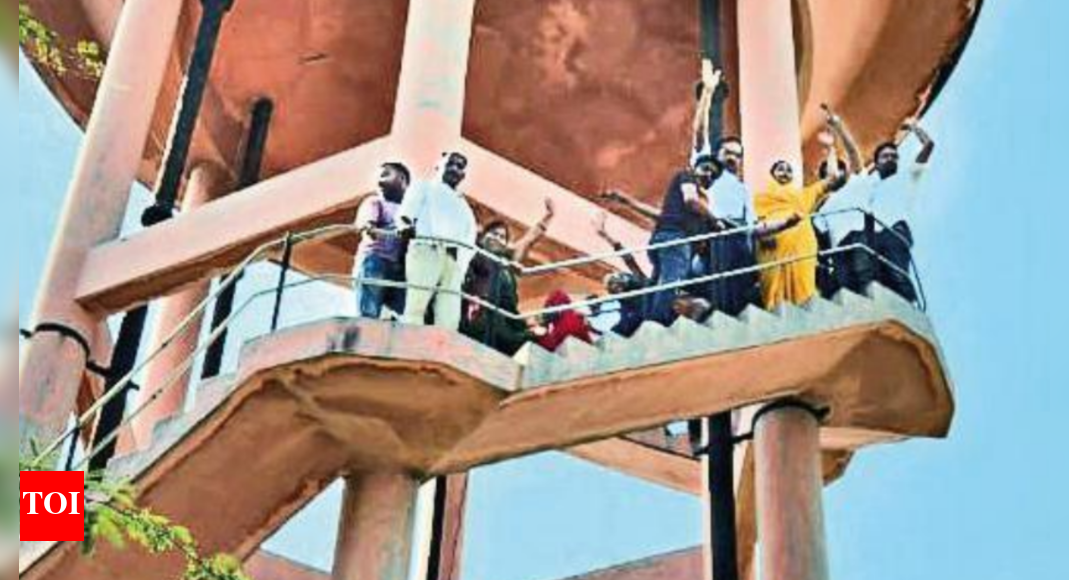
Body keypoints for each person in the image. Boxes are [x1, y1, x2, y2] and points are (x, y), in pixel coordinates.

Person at [821, 118, 935, 302]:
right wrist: (829, 150)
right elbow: (832, 174)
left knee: (893, 277)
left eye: (893, 156)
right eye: (885, 156)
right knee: (863, 282)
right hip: (868, 237)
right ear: (877, 163)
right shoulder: (868, 187)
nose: (890, 159)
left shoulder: (904, 177)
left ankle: (905, 305)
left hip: (891, 231)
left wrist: (914, 127)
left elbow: (929, 146)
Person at [603, 155, 719, 326]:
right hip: (676, 242)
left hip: (664, 241)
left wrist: (628, 202)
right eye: (706, 168)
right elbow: (691, 200)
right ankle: (657, 324)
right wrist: (715, 221)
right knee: (671, 283)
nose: (709, 175)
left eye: (713, 175)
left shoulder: (693, 208)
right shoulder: (687, 177)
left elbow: (660, 216)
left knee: (656, 285)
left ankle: (650, 323)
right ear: (694, 169)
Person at [754, 135, 848, 309]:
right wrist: (766, 233)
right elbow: (755, 223)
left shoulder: (804, 194)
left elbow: (833, 178)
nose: (785, 172)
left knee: (804, 288)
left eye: (788, 170)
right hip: (772, 245)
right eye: (780, 169)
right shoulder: (760, 196)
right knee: (773, 291)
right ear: (772, 174)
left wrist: (831, 149)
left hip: (802, 246)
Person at [462, 199, 557, 356]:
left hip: (506, 317)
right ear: (483, 236)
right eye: (494, 233)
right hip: (478, 311)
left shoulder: (507, 261)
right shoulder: (474, 253)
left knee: (535, 332)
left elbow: (529, 239)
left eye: (502, 237)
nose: (497, 238)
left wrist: (547, 217)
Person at [396, 152, 479, 331]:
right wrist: (405, 225)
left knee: (449, 312)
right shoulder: (424, 187)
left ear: (463, 175)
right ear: (438, 165)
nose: (454, 169)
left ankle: (443, 343)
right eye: (450, 164)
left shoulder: (464, 205)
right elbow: (406, 212)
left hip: (453, 261)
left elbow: (469, 236)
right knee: (417, 301)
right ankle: (410, 336)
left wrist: (462, 264)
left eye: (460, 167)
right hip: (428, 249)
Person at [352, 162, 411, 319]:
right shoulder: (375, 202)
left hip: (398, 265)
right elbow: (367, 223)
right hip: (375, 258)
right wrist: (369, 227)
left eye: (386, 174)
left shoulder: (408, 210)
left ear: (402, 179)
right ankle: (367, 326)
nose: (380, 178)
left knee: (403, 307)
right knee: (370, 305)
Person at [593, 211, 651, 337]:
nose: (617, 278)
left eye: (614, 277)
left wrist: (605, 235)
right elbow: (627, 258)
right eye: (613, 282)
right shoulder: (638, 283)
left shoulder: (639, 282)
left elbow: (627, 258)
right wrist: (605, 235)